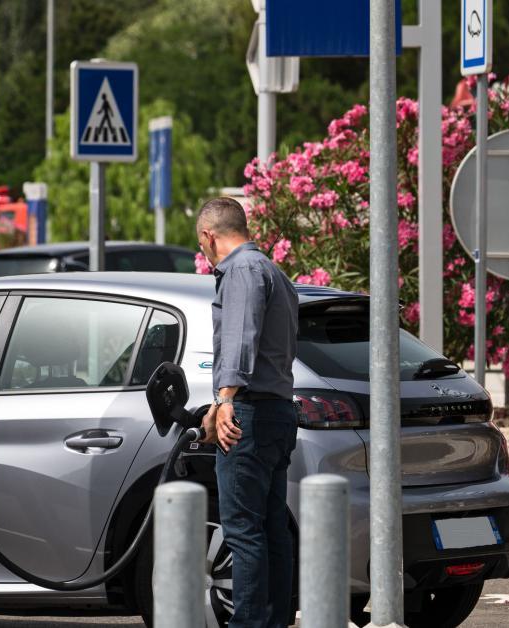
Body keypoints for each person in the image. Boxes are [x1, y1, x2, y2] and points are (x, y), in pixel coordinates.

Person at [196, 197, 299, 628]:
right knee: (272, 526)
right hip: (277, 412)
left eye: (201, 244)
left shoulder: (239, 271)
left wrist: (223, 401)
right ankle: (273, 622)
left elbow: (240, 340)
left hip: (249, 416)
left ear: (209, 237)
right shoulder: (274, 271)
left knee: (243, 531)